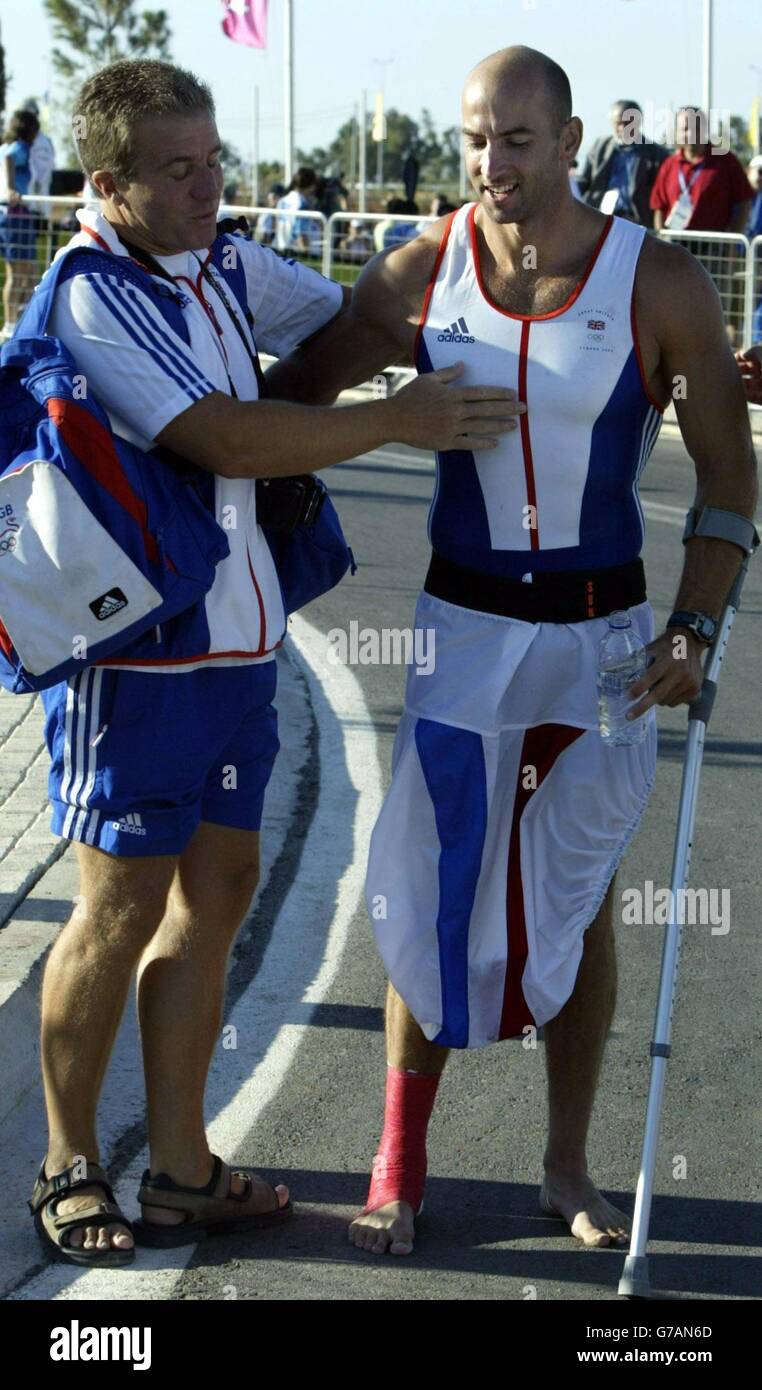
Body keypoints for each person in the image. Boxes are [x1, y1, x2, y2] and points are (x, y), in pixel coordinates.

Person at [25, 57, 518, 1266]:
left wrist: (516, 259)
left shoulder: (219, 260)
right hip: (137, 663)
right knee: (116, 904)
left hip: (242, 650)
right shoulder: (94, 290)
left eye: (214, 164)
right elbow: (228, 438)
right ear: (110, 181)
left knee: (221, 892)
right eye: (179, 172)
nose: (209, 189)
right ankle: (67, 1160)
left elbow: (361, 317)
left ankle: (184, 1172)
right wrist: (396, 418)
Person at [265, 44, 757, 1256]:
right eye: (476, 139)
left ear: (573, 141)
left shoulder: (663, 285)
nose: (491, 163)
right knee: (434, 888)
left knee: (579, 901)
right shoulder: (418, 272)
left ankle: (567, 1166)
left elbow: (731, 483)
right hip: (460, 629)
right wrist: (393, 420)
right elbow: (289, 404)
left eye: (518, 141)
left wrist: (695, 626)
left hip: (603, 640)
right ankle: (398, 1156)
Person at [650, 106, 753, 233]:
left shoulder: (725, 160)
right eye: (685, 129)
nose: (691, 133)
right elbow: (659, 207)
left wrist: (734, 237)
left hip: (714, 247)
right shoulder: (669, 165)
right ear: (677, 132)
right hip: (676, 245)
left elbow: (744, 202)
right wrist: (662, 242)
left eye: (696, 128)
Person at [576, 100, 667, 226]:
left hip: (637, 224)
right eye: (618, 123)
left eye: (628, 123)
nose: (622, 128)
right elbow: (582, 182)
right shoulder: (600, 147)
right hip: (599, 220)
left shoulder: (656, 154)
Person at [0, 108, 42, 337]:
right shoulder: (19, 148)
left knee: (22, 272)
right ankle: (10, 323)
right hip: (15, 214)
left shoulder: (4, 146)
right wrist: (10, 188)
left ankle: (15, 320)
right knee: (18, 274)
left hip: (9, 214)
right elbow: (9, 160)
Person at [276, 166, 317, 256]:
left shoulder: (282, 200)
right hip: (295, 254)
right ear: (312, 185)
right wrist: (306, 255)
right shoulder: (302, 204)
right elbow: (301, 235)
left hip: (281, 249)